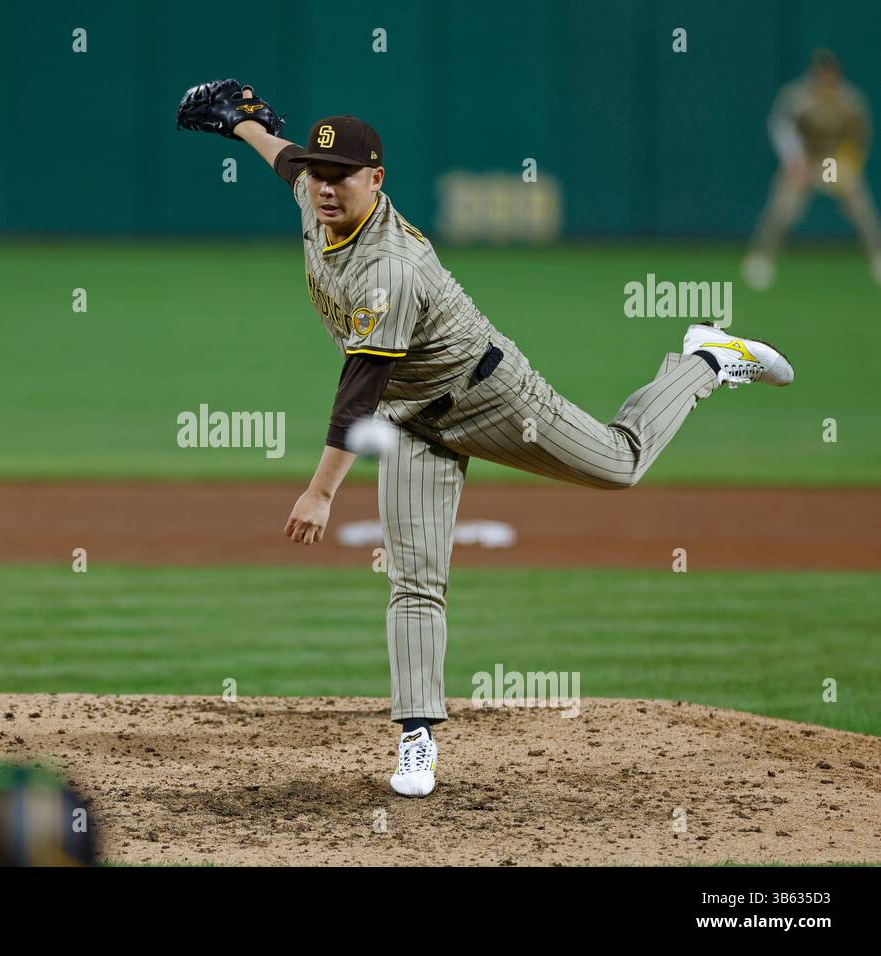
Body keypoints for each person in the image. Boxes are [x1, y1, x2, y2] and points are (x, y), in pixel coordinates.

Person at [176, 79, 795, 797]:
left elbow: (358, 392)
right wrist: (246, 125)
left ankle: (704, 360)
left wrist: (320, 492)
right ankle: (417, 740)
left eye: (342, 175)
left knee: (621, 465)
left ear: (376, 179)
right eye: (321, 174)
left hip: (491, 395)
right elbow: (285, 159)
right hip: (411, 420)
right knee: (414, 579)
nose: (324, 186)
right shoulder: (316, 197)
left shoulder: (389, 269)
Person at [743, 49, 881, 289]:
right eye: (821, 76)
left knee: (861, 208)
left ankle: (877, 259)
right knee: (782, 209)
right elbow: (781, 126)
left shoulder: (850, 100)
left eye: (830, 76)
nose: (826, 81)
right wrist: (795, 160)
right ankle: (760, 260)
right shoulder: (798, 97)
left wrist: (849, 163)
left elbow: (861, 135)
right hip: (805, 160)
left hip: (834, 161)